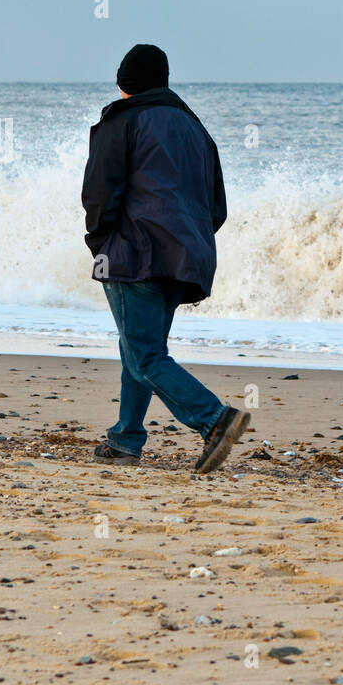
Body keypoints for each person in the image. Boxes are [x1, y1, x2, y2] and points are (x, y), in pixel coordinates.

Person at [81, 44, 250, 472]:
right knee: (140, 349)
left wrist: (100, 242)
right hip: (185, 256)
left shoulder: (122, 119)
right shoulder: (196, 128)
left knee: (144, 355)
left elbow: (99, 192)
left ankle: (214, 419)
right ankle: (125, 440)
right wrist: (187, 241)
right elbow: (217, 206)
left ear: (124, 83)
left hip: (133, 253)